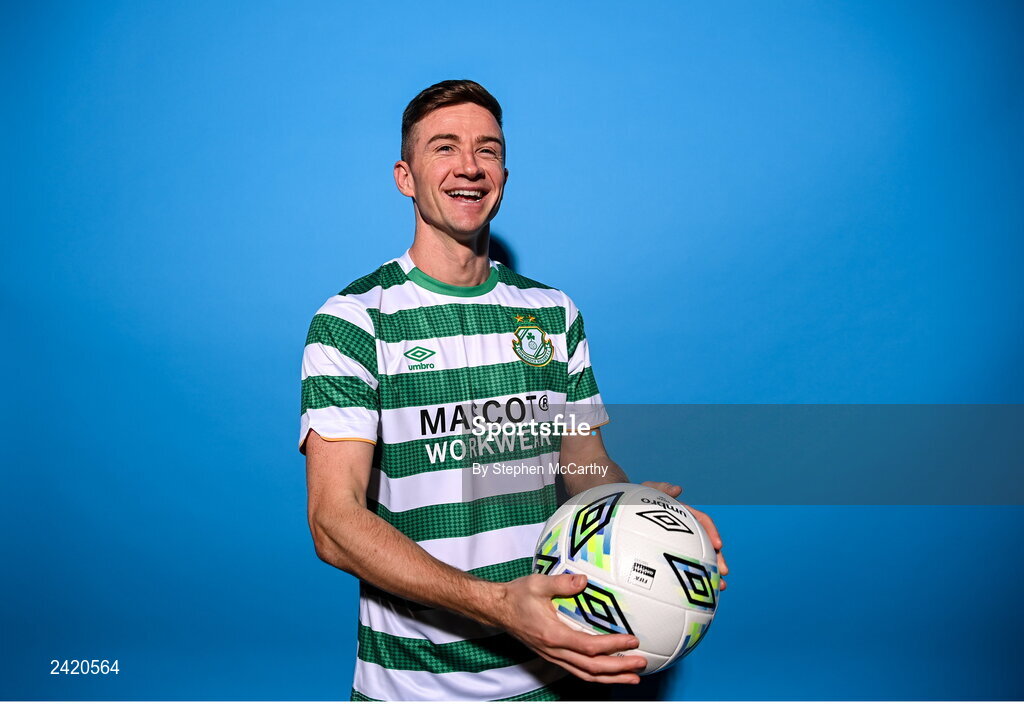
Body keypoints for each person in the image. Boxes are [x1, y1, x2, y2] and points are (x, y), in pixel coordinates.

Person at [299, 79, 728, 701]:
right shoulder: (355, 320)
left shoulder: (552, 313)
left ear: (504, 171)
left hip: (556, 672)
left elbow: (584, 464)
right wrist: (497, 604)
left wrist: (642, 515)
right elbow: (333, 522)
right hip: (414, 686)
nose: (469, 167)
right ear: (405, 177)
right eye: (443, 149)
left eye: (488, 150)